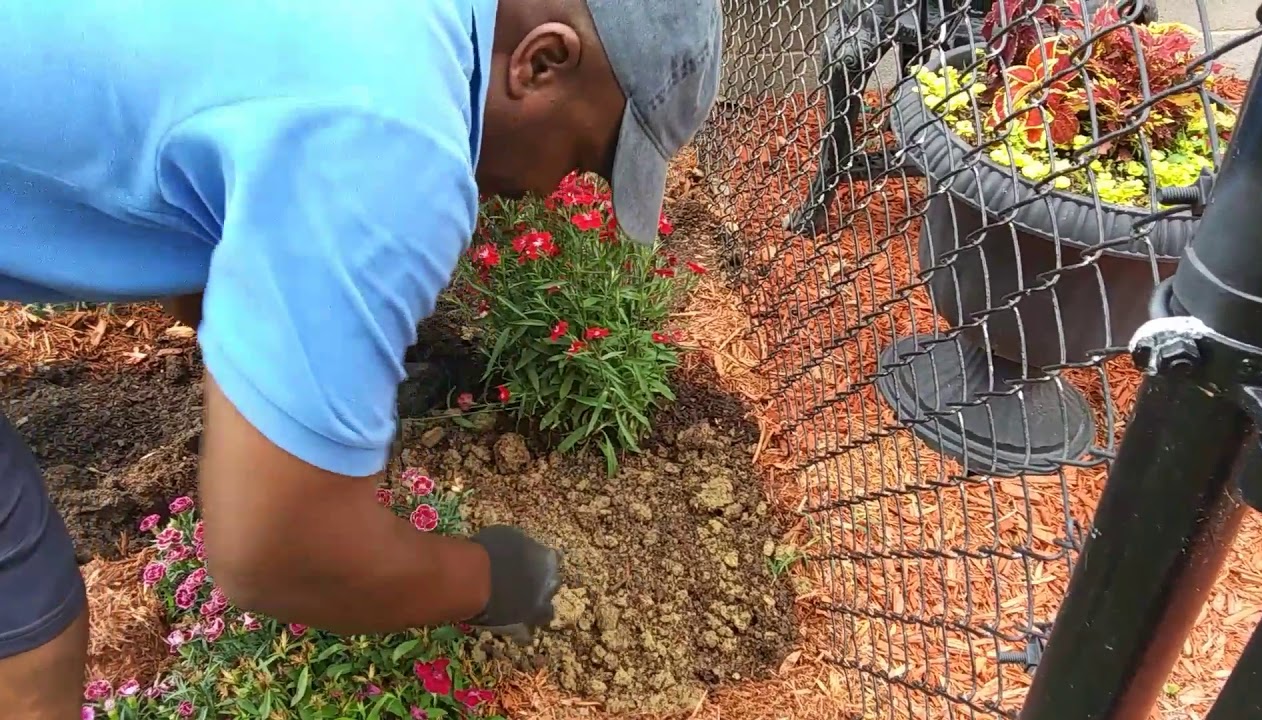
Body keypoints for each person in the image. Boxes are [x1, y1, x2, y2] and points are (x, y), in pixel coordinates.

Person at [0, 0, 723, 716]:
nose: (553, 192)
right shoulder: (399, 130)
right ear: (541, 62)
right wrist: (488, 578)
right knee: (32, 640)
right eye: (580, 159)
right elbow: (277, 553)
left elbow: (204, 167)